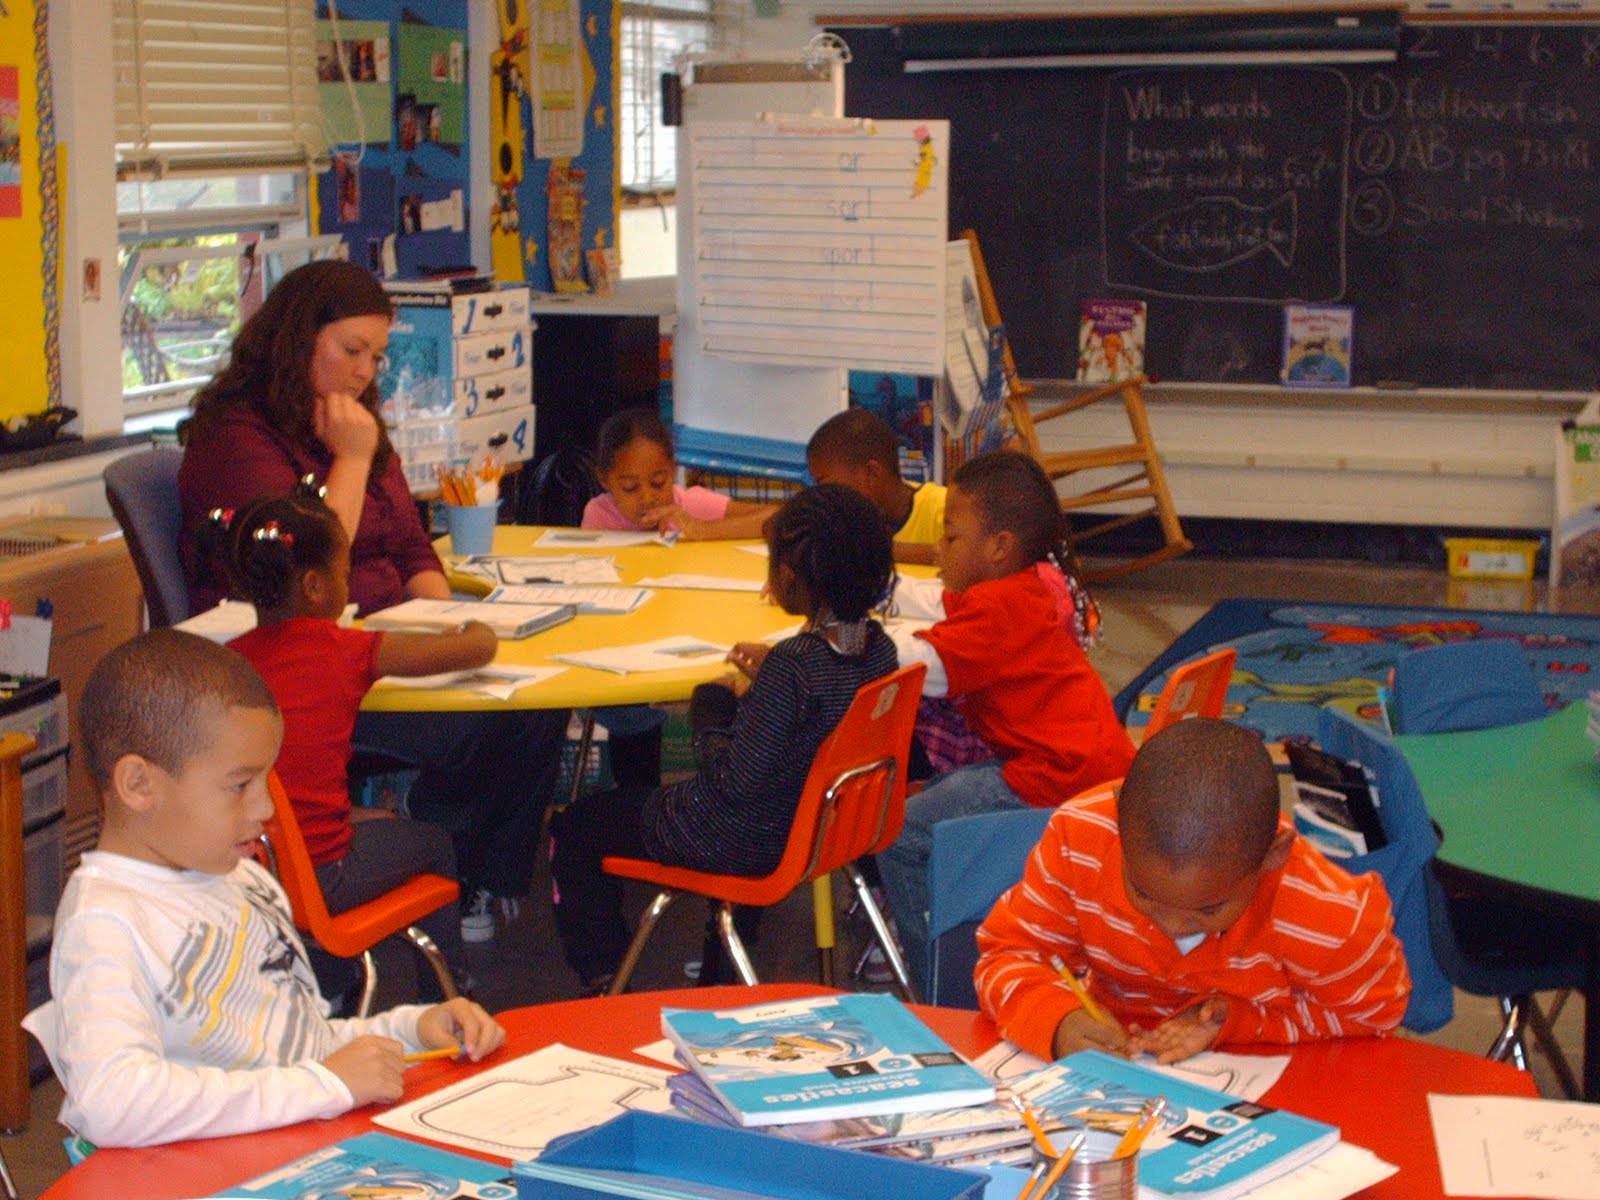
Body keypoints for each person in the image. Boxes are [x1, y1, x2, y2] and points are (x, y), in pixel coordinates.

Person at [178, 258, 566, 944]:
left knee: (534, 706)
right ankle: (441, 842)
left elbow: (413, 546)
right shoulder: (240, 437)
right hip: (309, 668)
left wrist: (439, 616)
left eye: (376, 356)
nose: (364, 371)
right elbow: (308, 574)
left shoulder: (356, 421)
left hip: (388, 641)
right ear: (298, 338)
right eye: (350, 351)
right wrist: (352, 459)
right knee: (488, 728)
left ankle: (469, 869)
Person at [24, 630, 505, 1149]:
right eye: (240, 785)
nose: (266, 809)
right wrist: (324, 1085)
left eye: (267, 782)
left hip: (288, 1152)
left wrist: (409, 1031)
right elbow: (111, 1104)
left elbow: (297, 1043)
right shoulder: (105, 922)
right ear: (140, 785)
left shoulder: (243, 878)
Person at [549, 484, 898, 994]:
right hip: (820, 830)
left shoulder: (794, 669)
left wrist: (711, 708)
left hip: (742, 838)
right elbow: (815, 710)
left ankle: (603, 976)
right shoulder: (877, 650)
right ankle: (724, 958)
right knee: (760, 794)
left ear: (787, 574)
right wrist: (768, 684)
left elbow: (731, 780)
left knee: (575, 827)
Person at [974, 718, 1412, 1063]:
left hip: (1263, 1087)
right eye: (1143, 894)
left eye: (1208, 909)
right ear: (1118, 817)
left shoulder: (1330, 915)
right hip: (1111, 1063)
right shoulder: (1080, 839)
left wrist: (1236, 1020)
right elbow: (1007, 954)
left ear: (1273, 856)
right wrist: (1055, 1020)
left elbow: (1372, 1015)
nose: (1170, 926)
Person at [207, 484, 496, 999]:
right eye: (345, 574)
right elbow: (474, 649)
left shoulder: (228, 663)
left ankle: (331, 983)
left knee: (378, 822)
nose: (348, 584)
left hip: (253, 869)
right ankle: (451, 996)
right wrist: (476, 623)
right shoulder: (344, 649)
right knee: (434, 844)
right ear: (316, 587)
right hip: (325, 876)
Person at [877, 449, 1136, 994]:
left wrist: (835, 640)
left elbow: (927, 666)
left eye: (950, 538)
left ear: (997, 548)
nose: (939, 550)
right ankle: (964, 942)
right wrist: (879, 594)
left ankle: (938, 988)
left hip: (1055, 776)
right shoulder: (1024, 588)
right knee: (939, 794)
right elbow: (941, 606)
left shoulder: (998, 607)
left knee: (897, 833)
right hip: (1085, 766)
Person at [582, 408, 776, 540]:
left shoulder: (688, 506)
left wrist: (703, 530)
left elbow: (780, 518)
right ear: (604, 480)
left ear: (672, 470)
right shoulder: (599, 515)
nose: (648, 498)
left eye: (658, 483)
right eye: (630, 488)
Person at [806, 408, 945, 565]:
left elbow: (964, 557)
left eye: (826, 485)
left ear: (871, 473)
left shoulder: (944, 507)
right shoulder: (844, 520)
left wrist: (872, 550)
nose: (824, 496)